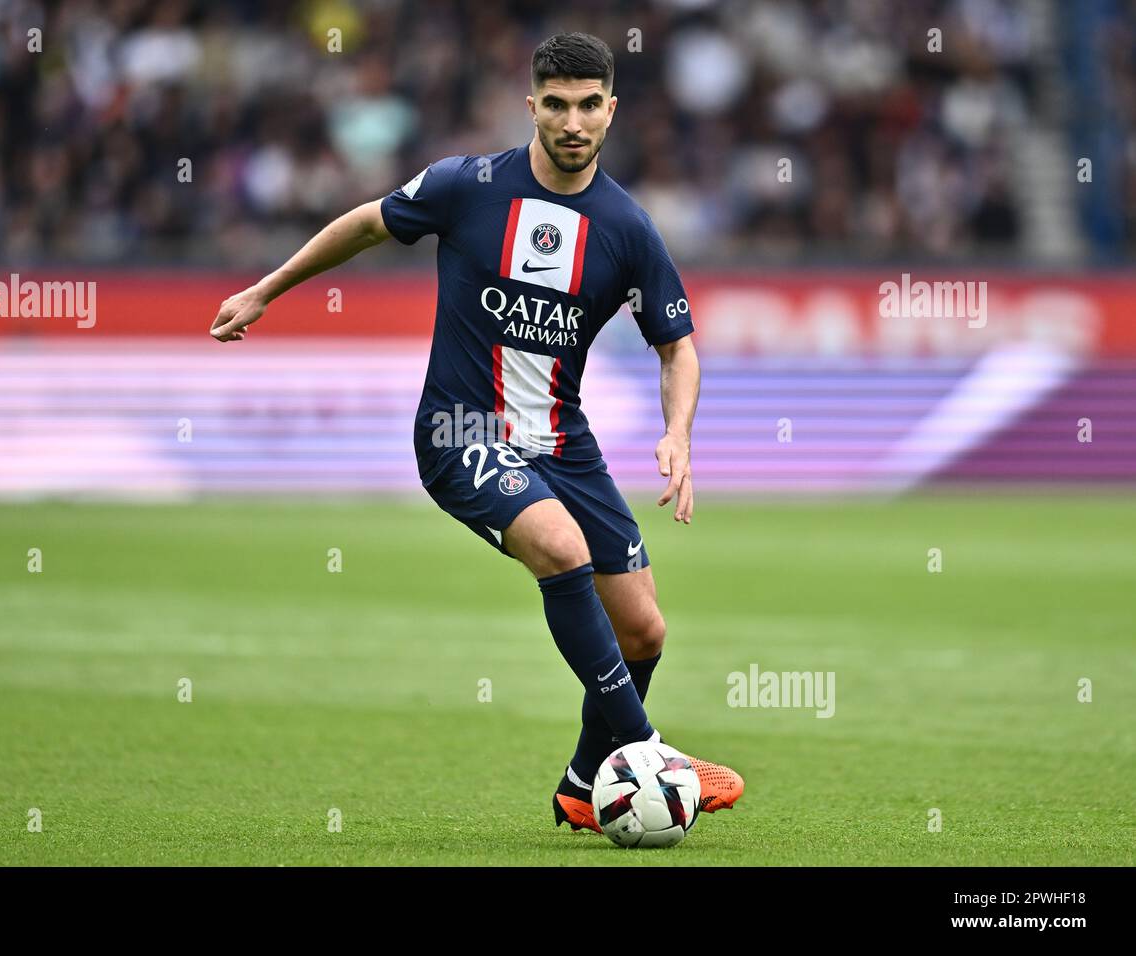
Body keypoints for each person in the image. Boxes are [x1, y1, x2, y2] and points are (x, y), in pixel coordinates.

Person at [210, 32, 742, 833]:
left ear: (611, 110)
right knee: (563, 550)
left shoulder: (628, 228)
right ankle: (648, 753)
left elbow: (678, 347)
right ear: (531, 105)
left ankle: (580, 782)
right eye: (556, 104)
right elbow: (364, 224)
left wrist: (679, 433)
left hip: (563, 441)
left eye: (589, 104)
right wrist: (267, 289)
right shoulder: (468, 186)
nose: (572, 121)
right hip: (460, 430)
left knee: (643, 627)